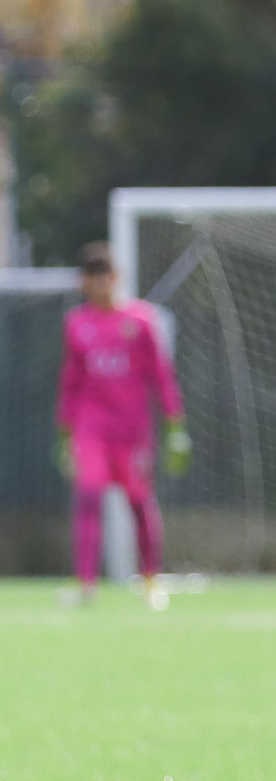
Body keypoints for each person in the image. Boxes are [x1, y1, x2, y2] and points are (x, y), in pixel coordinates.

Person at [56, 242, 190, 608]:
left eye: (107, 278)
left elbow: (161, 376)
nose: (102, 286)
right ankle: (86, 585)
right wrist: (63, 432)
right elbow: (71, 381)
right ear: (84, 282)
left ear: (117, 278)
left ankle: (150, 581)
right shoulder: (77, 324)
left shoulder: (142, 322)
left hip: (132, 431)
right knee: (87, 498)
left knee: (139, 501)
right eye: (93, 279)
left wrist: (175, 426)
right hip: (91, 428)